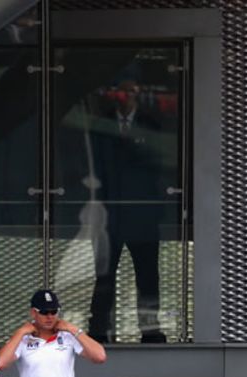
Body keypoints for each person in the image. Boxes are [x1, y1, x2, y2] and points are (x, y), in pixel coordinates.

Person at [87, 73, 171, 344]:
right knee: (104, 274)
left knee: (147, 274)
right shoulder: (102, 125)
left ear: (137, 95)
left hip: (142, 213)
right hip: (109, 214)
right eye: (121, 93)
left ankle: (149, 328)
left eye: (131, 92)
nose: (126, 98)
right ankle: (100, 329)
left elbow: (157, 163)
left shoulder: (150, 125)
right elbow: (94, 166)